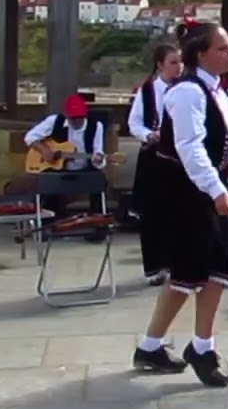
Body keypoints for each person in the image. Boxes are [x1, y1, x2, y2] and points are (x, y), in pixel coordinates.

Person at [131, 21, 228, 388]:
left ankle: (164, 346)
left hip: (201, 188)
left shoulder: (223, 94)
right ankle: (192, 348)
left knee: (208, 271)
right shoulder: (187, 92)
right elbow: (190, 148)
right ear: (200, 54)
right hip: (182, 190)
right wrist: (216, 190)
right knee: (198, 271)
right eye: (222, 47)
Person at [127, 43, 183, 284]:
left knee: (178, 210)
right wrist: (149, 134)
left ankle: (177, 263)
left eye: (180, 62)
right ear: (160, 65)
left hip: (179, 155)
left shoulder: (186, 89)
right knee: (152, 213)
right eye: (173, 62)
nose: (178, 67)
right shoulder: (148, 90)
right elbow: (134, 123)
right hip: (153, 156)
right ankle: (155, 267)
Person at [24, 93, 108, 235]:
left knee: (99, 182)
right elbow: (30, 137)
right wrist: (44, 150)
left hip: (83, 168)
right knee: (46, 184)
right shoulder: (54, 121)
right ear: (67, 115)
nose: (77, 121)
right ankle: (46, 226)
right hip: (57, 169)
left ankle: (97, 226)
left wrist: (98, 159)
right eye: (73, 118)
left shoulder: (96, 126)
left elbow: (97, 150)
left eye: (80, 117)